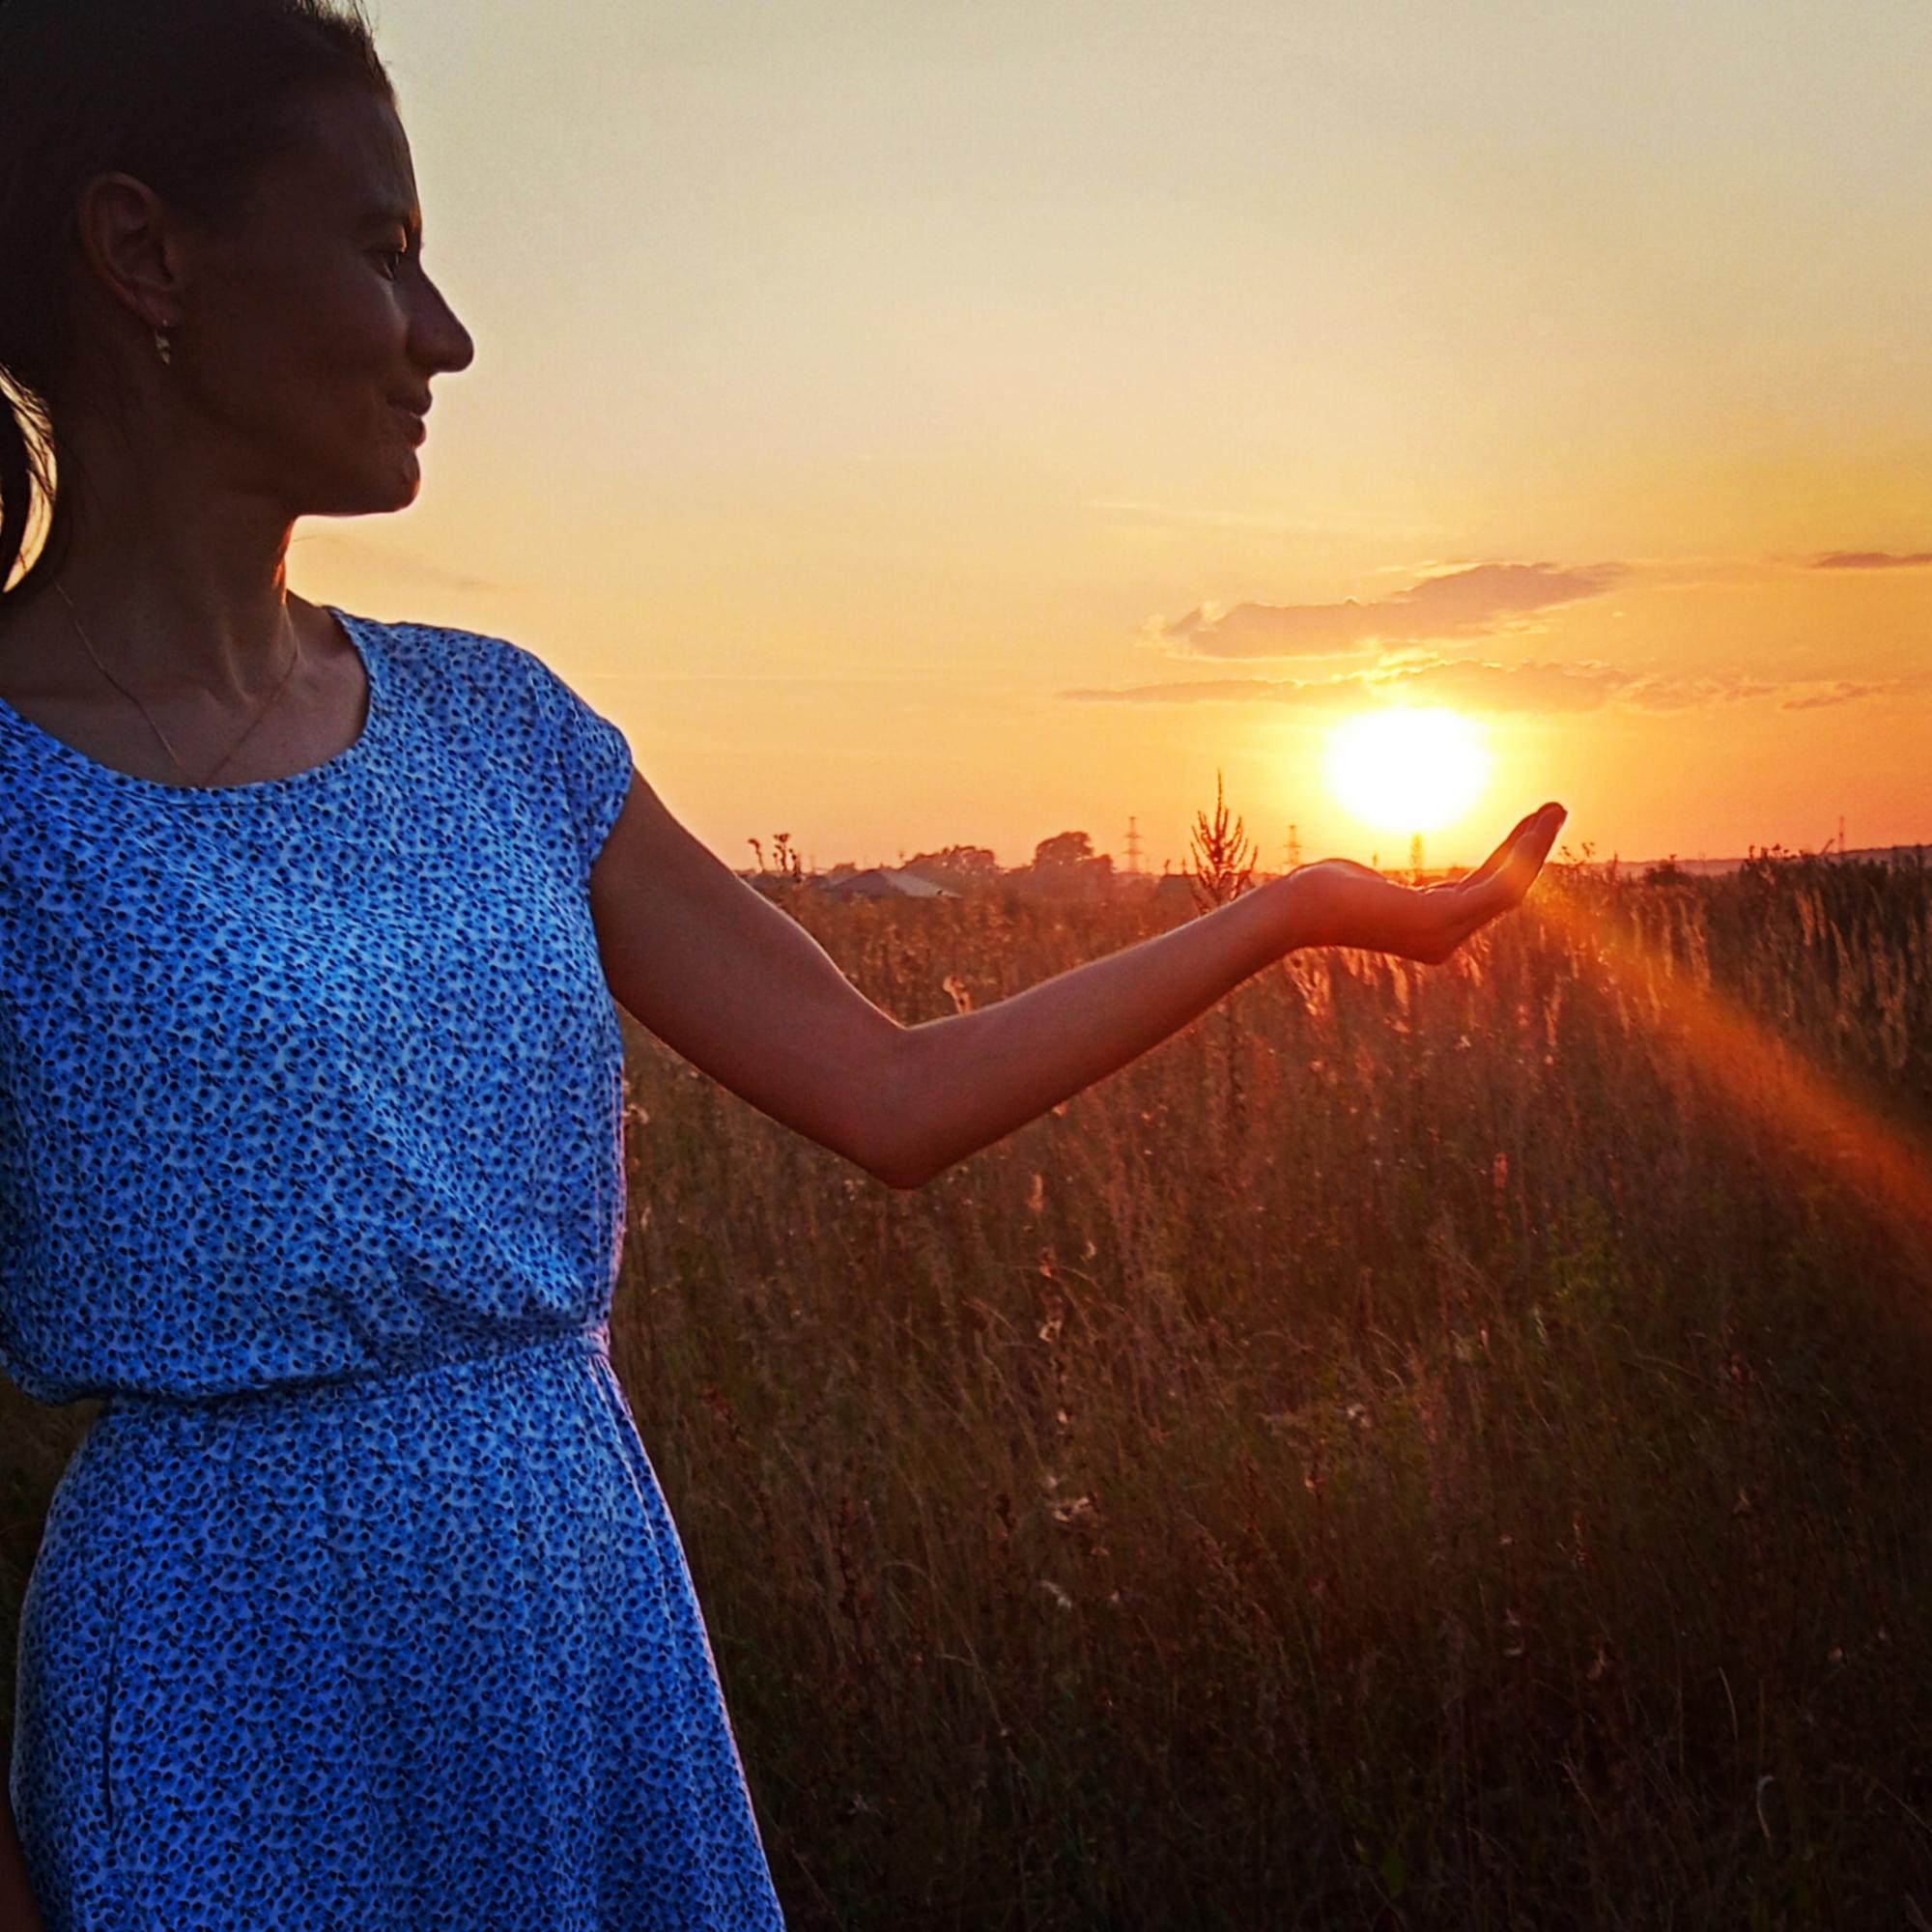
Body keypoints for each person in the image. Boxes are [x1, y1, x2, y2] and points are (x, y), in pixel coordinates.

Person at [0, 1, 1566, 1925]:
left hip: (571, 1610)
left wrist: (1288, 908)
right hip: (213, 1686)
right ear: (147, 252)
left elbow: (888, 1091)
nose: (447, 335)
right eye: (384, 252)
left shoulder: (505, 733)